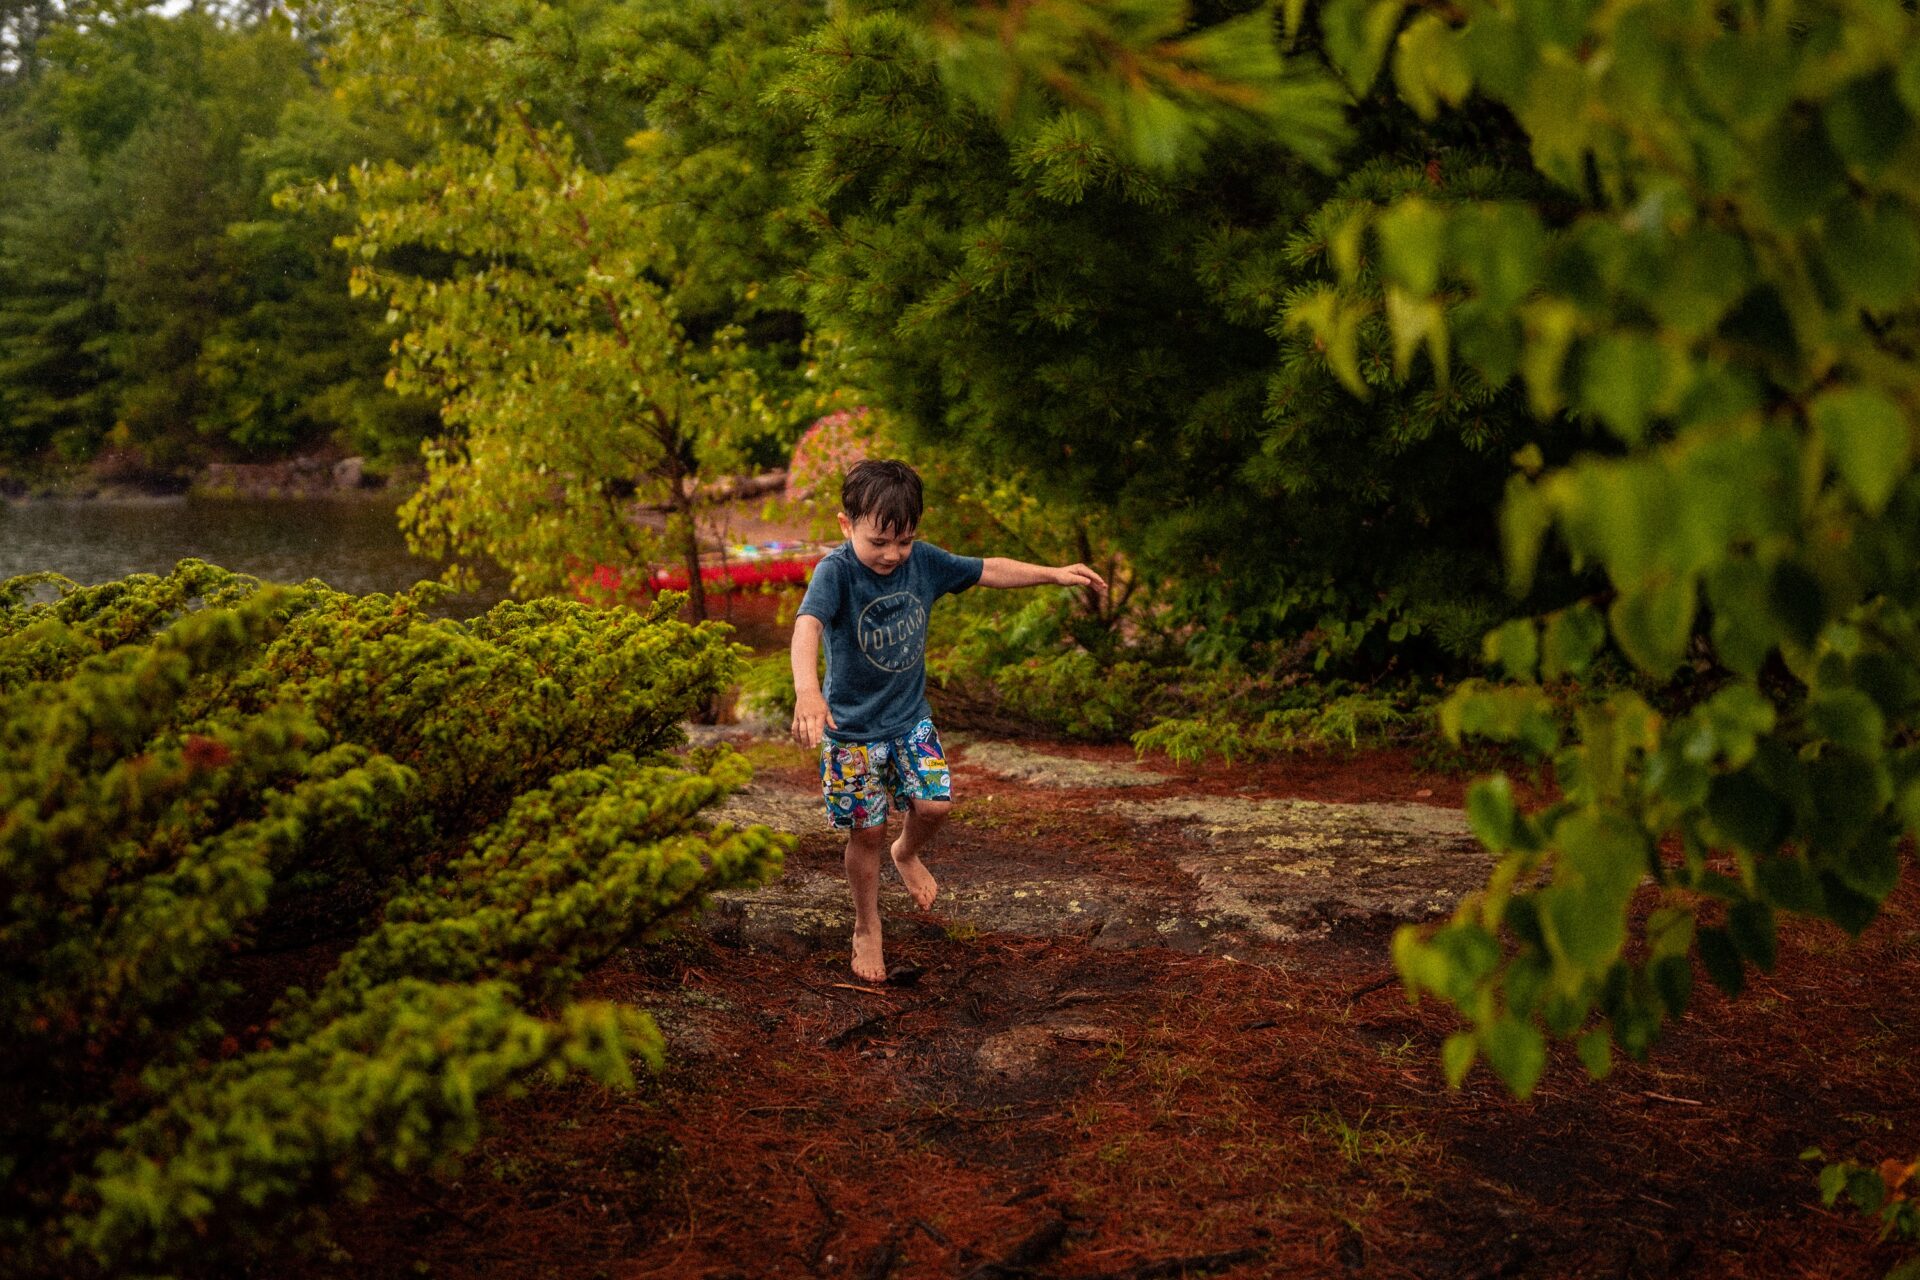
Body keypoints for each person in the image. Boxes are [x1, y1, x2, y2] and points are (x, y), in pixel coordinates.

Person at [790, 459, 1106, 982]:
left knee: (935, 806)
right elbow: (807, 626)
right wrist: (807, 690)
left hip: (909, 720)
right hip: (852, 732)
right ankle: (867, 926)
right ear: (846, 526)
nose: (893, 554)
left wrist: (1052, 573)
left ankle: (907, 853)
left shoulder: (924, 564)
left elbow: (988, 568)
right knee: (865, 833)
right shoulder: (837, 571)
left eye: (905, 541)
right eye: (879, 542)